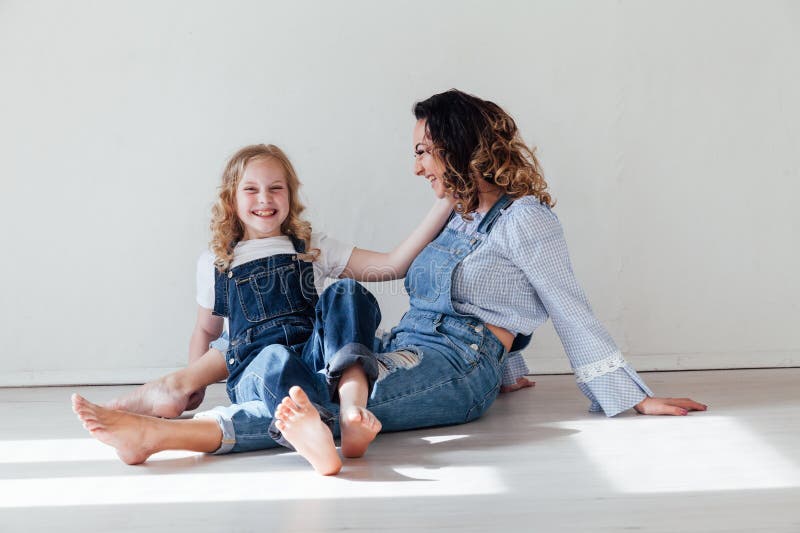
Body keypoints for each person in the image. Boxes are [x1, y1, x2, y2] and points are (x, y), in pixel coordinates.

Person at [72, 143, 454, 475]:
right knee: (273, 355)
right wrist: (196, 381)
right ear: (231, 200)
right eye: (251, 189)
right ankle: (314, 433)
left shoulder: (309, 246)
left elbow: (393, 263)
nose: (265, 199)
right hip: (260, 368)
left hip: (314, 357)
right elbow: (206, 330)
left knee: (347, 292)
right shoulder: (218, 261)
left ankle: (352, 410)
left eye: (276, 188)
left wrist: (445, 203)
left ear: (290, 196)